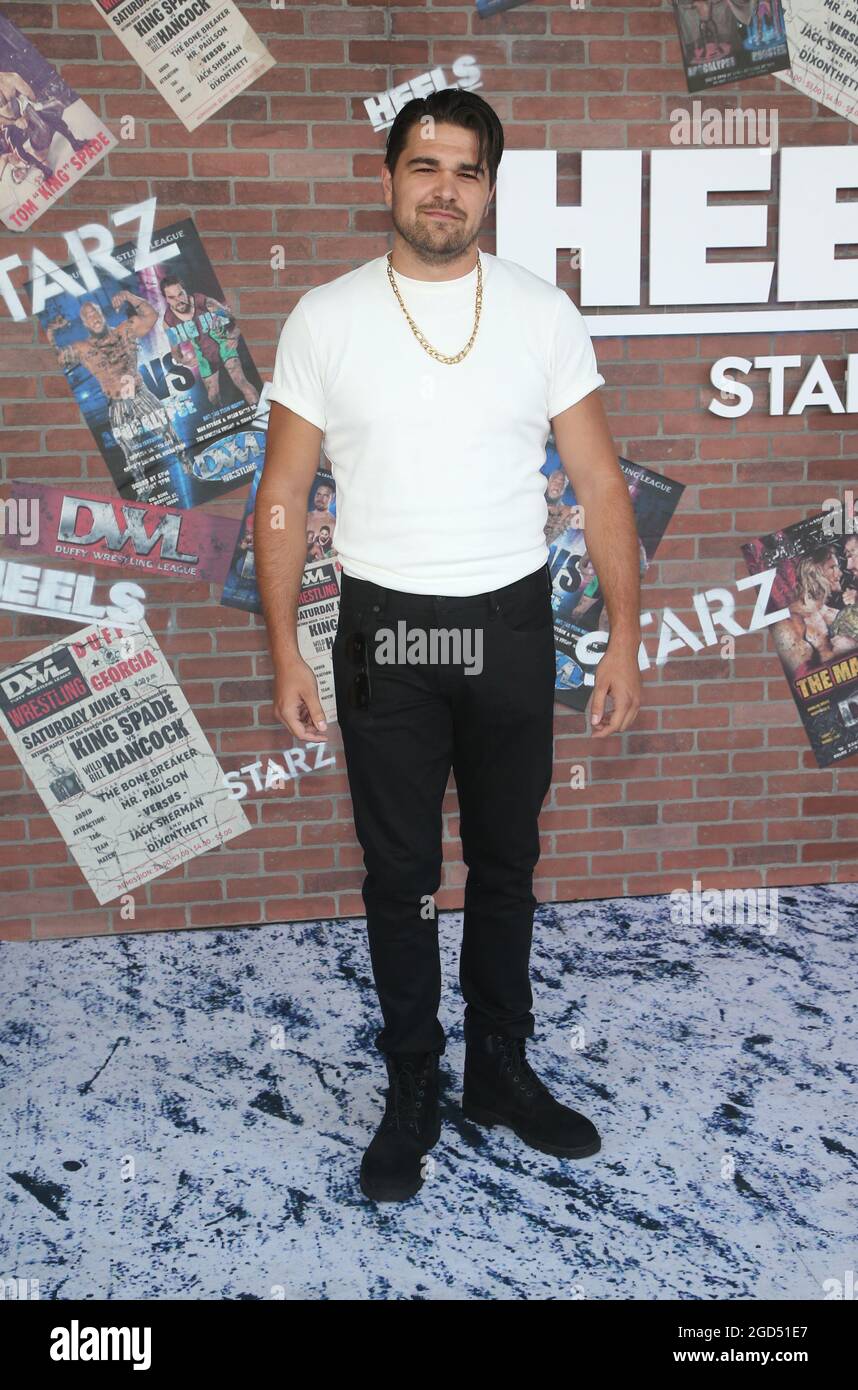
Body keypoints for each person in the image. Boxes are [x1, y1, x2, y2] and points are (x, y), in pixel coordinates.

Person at [255, 88, 642, 1203]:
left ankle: (500, 1070)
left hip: (513, 622)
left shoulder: (540, 312)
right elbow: (283, 494)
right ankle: (414, 1082)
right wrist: (286, 649)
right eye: (425, 165)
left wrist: (622, 637)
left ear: (489, 189)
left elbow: (601, 481)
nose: (444, 188)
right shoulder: (326, 318)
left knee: (508, 861)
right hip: (386, 630)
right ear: (388, 178)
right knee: (404, 875)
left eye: (467, 171)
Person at [46, 293, 195, 496]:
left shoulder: (125, 330)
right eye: (88, 317)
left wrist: (127, 296)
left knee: (168, 431)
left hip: (140, 393)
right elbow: (55, 359)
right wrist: (50, 330)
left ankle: (190, 468)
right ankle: (144, 490)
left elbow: (152, 315)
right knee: (130, 452)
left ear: (102, 314)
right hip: (116, 403)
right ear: (84, 323)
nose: (94, 319)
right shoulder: (83, 349)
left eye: (96, 313)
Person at [160, 273, 259, 410]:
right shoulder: (169, 322)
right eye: (172, 297)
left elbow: (235, 318)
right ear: (166, 299)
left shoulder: (203, 302)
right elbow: (175, 352)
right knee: (213, 396)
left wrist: (234, 335)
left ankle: (264, 417)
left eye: (180, 294)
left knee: (240, 380)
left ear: (185, 291)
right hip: (204, 356)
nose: (178, 300)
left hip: (224, 343)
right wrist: (184, 361)